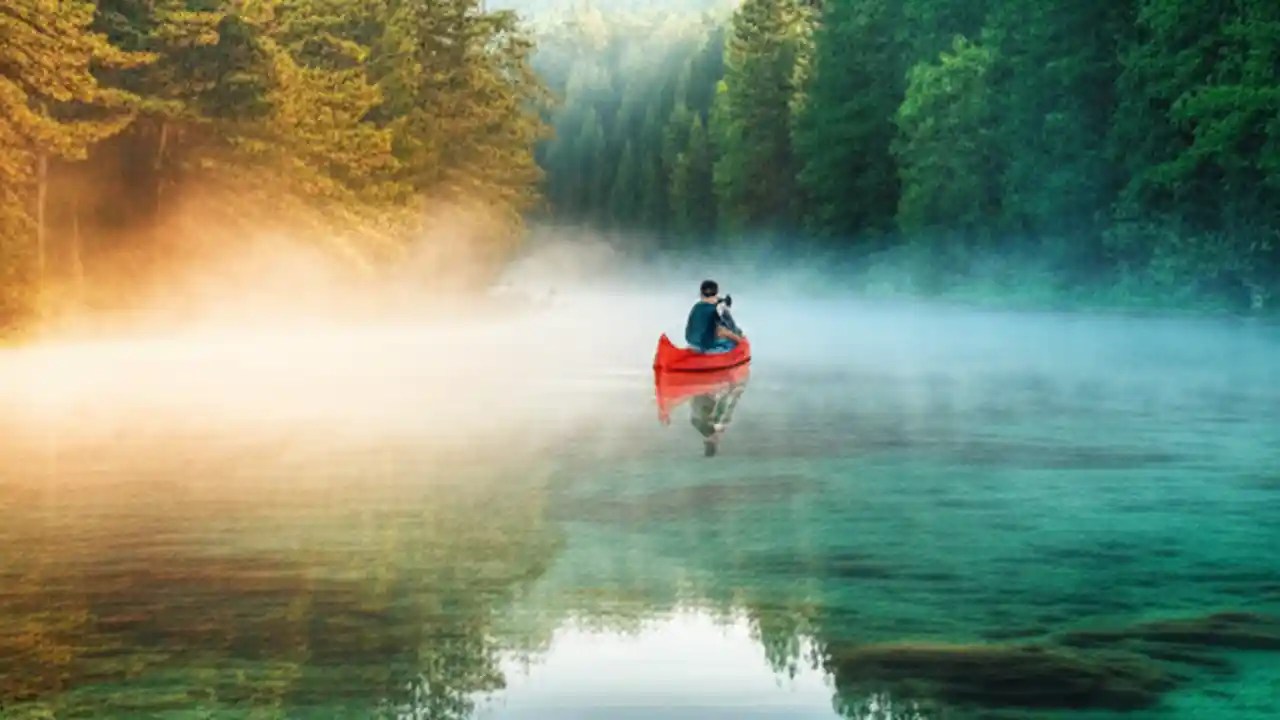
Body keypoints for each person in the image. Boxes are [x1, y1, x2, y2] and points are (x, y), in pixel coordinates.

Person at [684, 279, 744, 353]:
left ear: (701, 294)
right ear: (716, 293)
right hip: (708, 347)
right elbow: (721, 331)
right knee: (731, 342)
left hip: (693, 344)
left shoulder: (697, 307)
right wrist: (739, 340)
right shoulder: (717, 310)